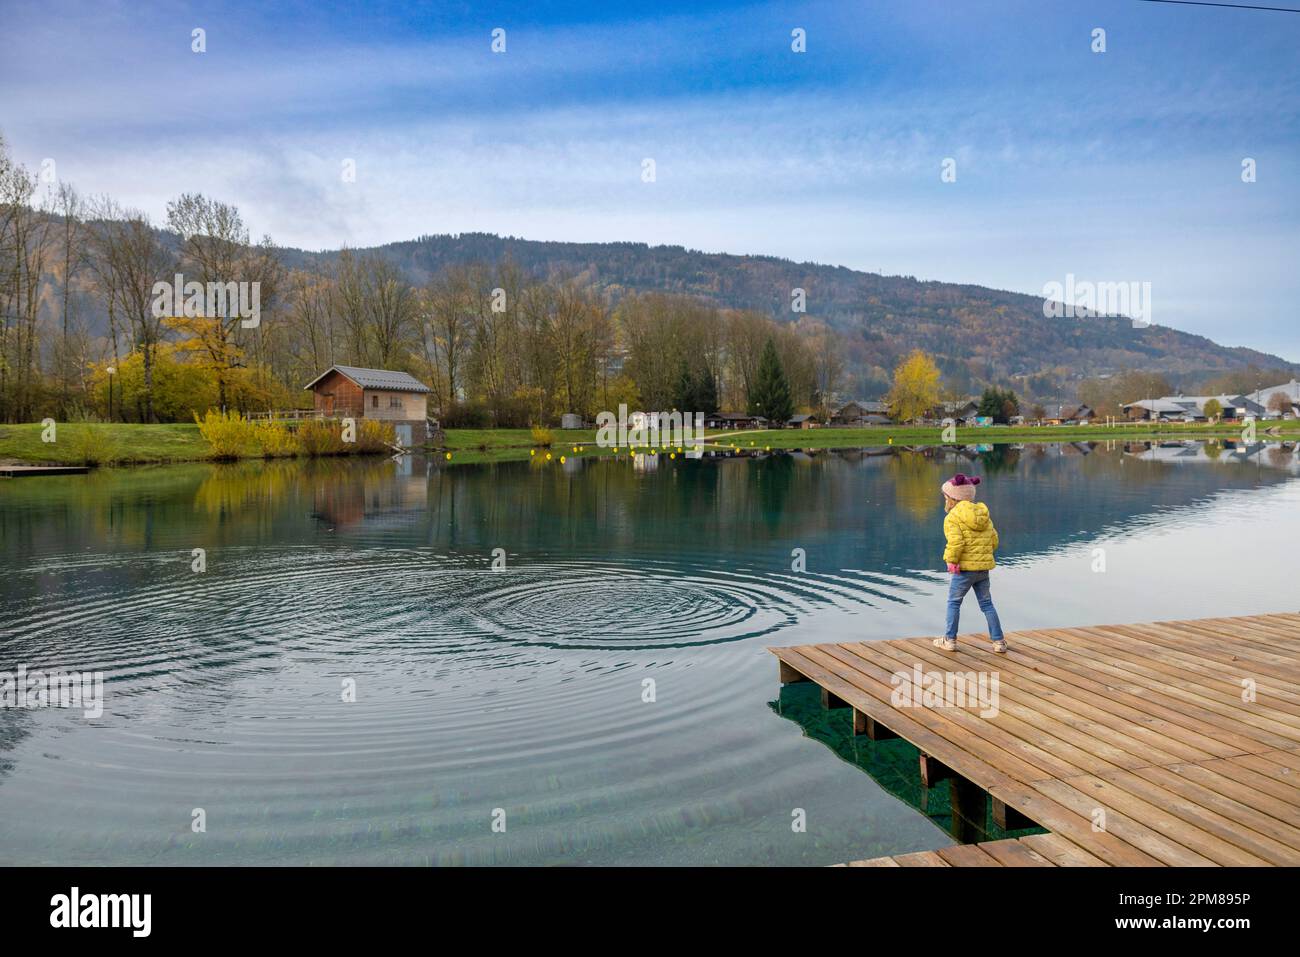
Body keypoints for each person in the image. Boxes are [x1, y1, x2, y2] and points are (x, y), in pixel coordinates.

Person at [933, 473, 1007, 653]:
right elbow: (994, 540)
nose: (945, 498)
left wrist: (951, 561)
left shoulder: (952, 517)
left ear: (952, 498)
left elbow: (956, 542)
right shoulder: (983, 514)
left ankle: (949, 640)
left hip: (964, 569)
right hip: (982, 568)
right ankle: (999, 642)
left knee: (953, 603)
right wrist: (981, 553)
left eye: (946, 496)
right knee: (987, 604)